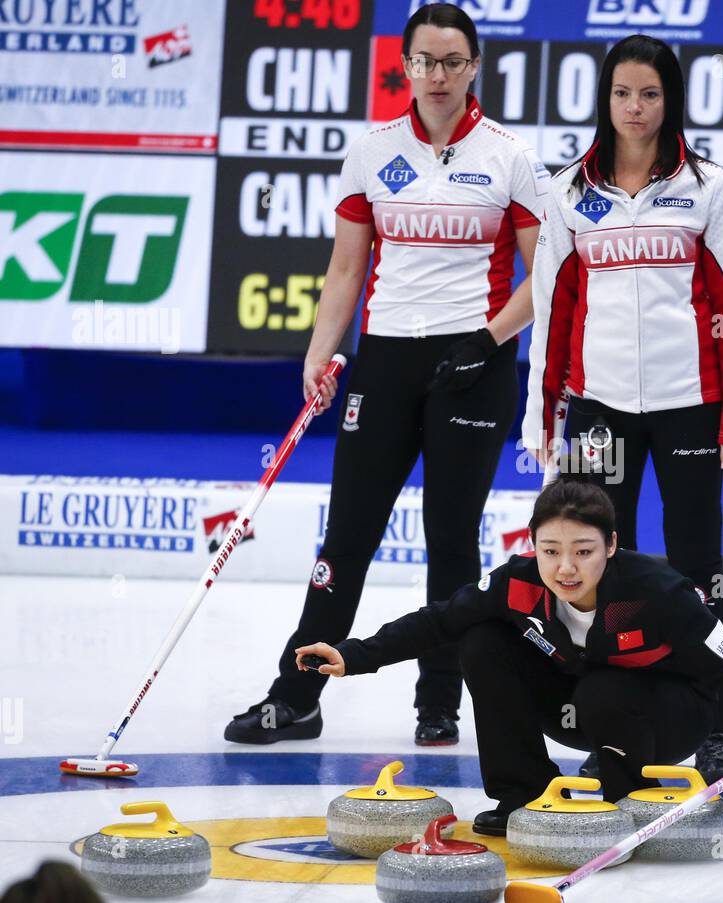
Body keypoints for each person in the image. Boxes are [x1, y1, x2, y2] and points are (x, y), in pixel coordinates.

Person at [225, 3, 548, 749]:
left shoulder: (509, 156)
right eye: (424, 62)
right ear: (405, 66)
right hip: (387, 357)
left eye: (452, 62)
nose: (437, 76)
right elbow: (347, 266)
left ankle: (439, 704)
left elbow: (548, 276)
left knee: (451, 541)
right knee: (347, 536)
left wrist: (489, 338)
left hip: (476, 362)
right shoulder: (372, 150)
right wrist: (319, 352)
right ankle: (298, 695)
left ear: (475, 68)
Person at [520, 35, 723, 783]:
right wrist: (541, 417)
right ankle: (609, 721)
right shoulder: (567, 193)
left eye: (650, 95)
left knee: (697, 567)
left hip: (691, 406)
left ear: (670, 100)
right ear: (606, 99)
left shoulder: (707, 186)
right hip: (598, 413)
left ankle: (722, 721)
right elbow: (554, 312)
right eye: (623, 93)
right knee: (594, 567)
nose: (635, 108)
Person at [296, 478, 723, 836]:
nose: (566, 568)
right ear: (534, 547)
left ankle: (624, 801)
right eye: (551, 551)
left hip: (670, 718)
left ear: (610, 546)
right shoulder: (518, 583)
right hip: (582, 711)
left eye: (583, 551)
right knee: (482, 640)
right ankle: (522, 798)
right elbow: (439, 621)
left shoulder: (657, 592)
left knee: (605, 687)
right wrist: (352, 655)